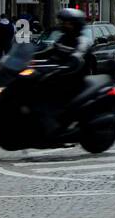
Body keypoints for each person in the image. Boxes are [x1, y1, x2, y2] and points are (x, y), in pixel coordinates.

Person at [31, 8, 94, 140]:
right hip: (58, 74)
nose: (65, 25)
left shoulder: (81, 41)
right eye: (63, 22)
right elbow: (50, 51)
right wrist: (30, 56)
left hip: (72, 80)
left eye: (68, 23)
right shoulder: (63, 38)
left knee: (46, 97)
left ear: (76, 25)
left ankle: (54, 127)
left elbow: (77, 58)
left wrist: (65, 67)